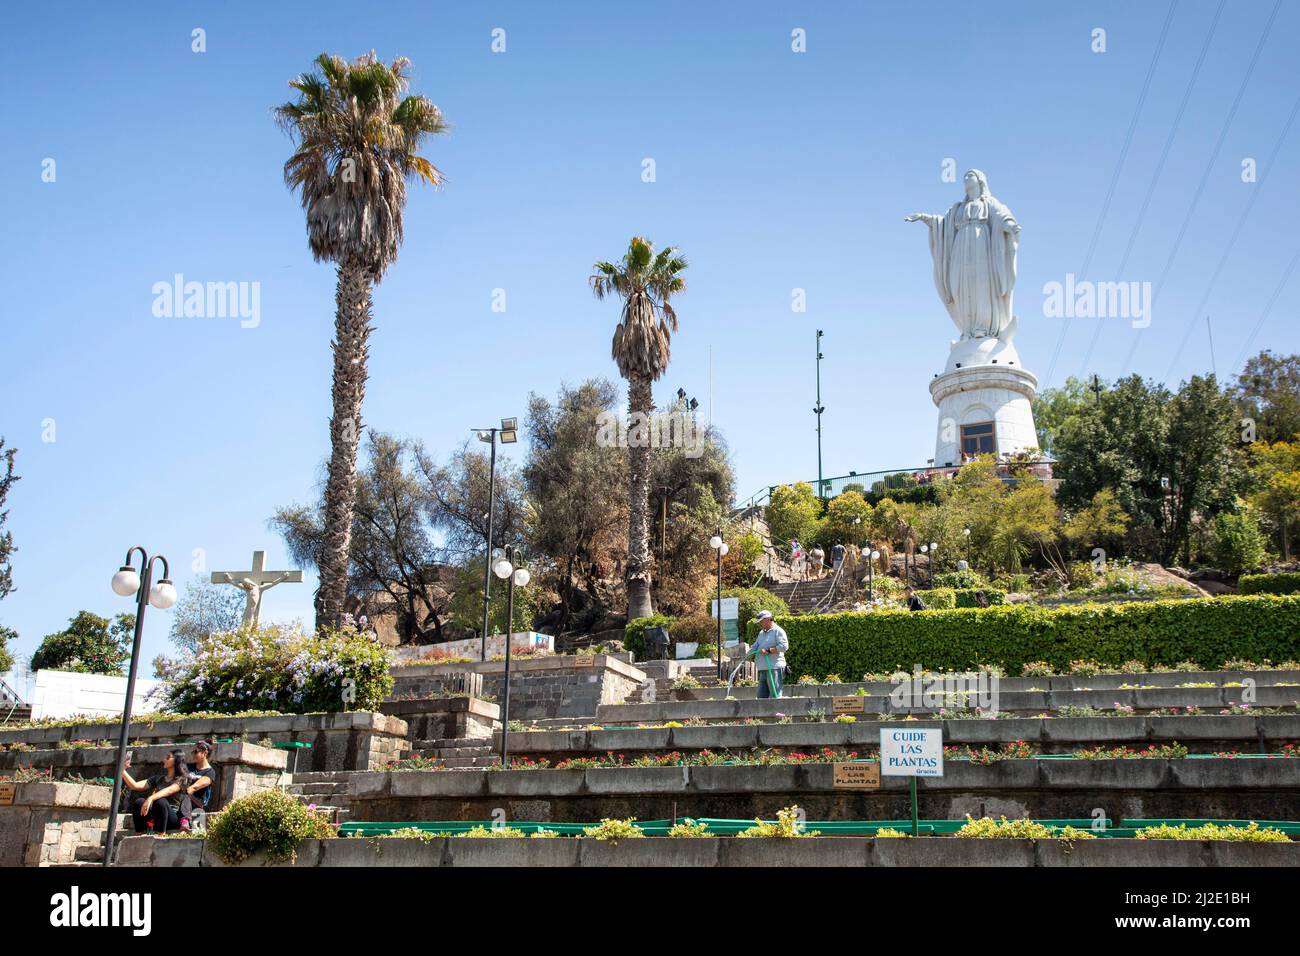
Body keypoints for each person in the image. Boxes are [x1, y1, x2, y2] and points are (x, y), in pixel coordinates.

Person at [121, 749, 191, 833]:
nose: (164, 759)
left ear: (177, 760)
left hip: (171, 818)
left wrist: (151, 798)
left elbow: (169, 790)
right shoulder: (158, 778)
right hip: (156, 817)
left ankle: (161, 833)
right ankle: (139, 833)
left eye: (168, 757)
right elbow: (134, 786)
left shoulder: (182, 779)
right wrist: (122, 770)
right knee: (139, 802)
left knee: (161, 801)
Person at [752, 611, 789, 699]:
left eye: (761, 621)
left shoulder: (778, 631)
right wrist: (748, 652)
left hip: (774, 667)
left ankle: (777, 712)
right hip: (763, 668)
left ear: (768, 619)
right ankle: (763, 713)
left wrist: (769, 650)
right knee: (761, 696)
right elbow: (756, 646)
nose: (760, 624)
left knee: (775, 695)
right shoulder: (761, 633)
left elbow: (784, 646)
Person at [184, 740, 217, 819]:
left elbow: (193, 788)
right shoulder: (188, 767)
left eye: (196, 752)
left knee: (185, 796)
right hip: (183, 800)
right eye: (193, 752)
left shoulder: (210, 772)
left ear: (205, 753)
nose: (193, 754)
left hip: (196, 805)